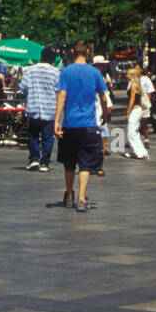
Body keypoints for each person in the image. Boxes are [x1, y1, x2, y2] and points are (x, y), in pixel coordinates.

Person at [54, 40, 110, 212]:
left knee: (69, 162)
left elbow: (62, 95)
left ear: (72, 51)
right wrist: (105, 115)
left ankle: (69, 194)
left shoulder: (66, 71)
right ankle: (81, 198)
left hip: (70, 123)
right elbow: (103, 96)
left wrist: (57, 120)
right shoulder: (95, 73)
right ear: (89, 51)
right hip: (89, 124)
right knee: (86, 163)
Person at [20, 47, 61, 171]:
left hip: (34, 106)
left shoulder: (30, 70)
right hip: (50, 109)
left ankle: (34, 159)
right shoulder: (56, 72)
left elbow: (23, 87)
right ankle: (45, 162)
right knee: (48, 137)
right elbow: (59, 90)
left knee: (33, 135)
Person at [126, 66, 150, 160]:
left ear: (132, 75)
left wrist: (128, 112)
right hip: (138, 109)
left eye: (127, 74)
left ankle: (138, 152)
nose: (126, 75)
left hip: (135, 110)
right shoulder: (137, 84)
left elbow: (132, 100)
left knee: (131, 132)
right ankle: (137, 151)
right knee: (135, 131)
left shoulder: (133, 85)